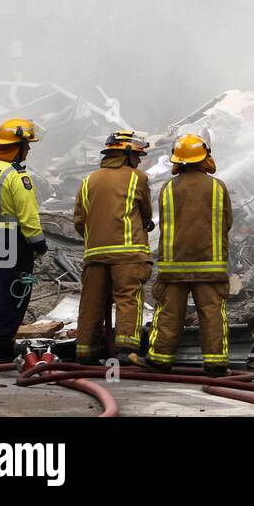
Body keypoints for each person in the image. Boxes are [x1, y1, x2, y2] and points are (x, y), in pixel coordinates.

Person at [131, 134, 232, 376]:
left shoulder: (168, 189)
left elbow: (166, 223)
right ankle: (216, 363)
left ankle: (159, 360)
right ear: (204, 157)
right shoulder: (218, 187)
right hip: (211, 266)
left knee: (168, 313)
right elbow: (227, 222)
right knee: (212, 313)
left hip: (173, 267)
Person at [73, 130, 154, 364]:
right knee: (128, 298)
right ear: (126, 154)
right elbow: (146, 213)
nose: (139, 160)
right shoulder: (137, 177)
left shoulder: (89, 180)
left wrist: (96, 238)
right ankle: (125, 352)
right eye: (137, 155)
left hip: (95, 255)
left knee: (91, 303)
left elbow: (79, 220)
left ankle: (86, 352)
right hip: (128, 254)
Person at [0, 118, 48, 365]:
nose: (29, 150)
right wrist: (38, 244)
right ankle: (1, 351)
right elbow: (28, 215)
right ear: (18, 145)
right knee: (13, 295)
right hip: (13, 241)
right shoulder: (18, 176)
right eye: (28, 145)